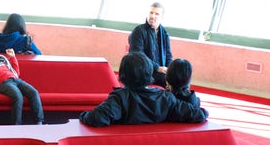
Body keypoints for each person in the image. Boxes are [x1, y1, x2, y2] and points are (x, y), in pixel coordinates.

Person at [79, 53, 207, 127]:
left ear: (123, 74)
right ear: (149, 73)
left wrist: (83, 115)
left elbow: (96, 118)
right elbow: (198, 114)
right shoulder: (166, 97)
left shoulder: (120, 98)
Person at [128, 2, 172, 86]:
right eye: (151, 12)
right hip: (144, 70)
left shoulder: (165, 34)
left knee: (180, 77)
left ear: (162, 17)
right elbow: (138, 55)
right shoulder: (138, 31)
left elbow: (168, 55)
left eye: (157, 14)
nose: (153, 16)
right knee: (168, 81)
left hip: (161, 70)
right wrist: (157, 67)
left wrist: (171, 69)